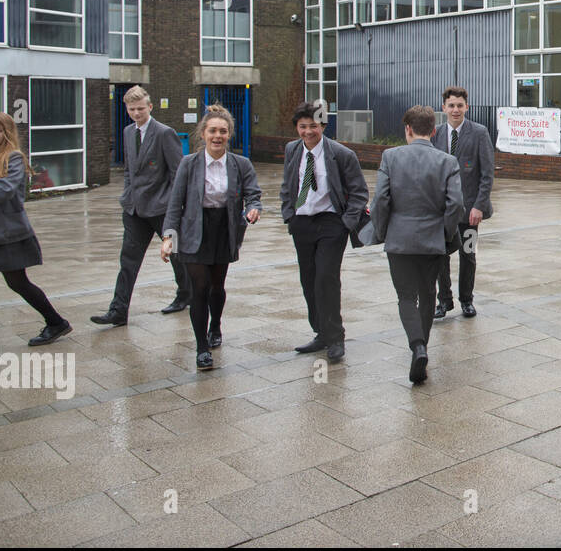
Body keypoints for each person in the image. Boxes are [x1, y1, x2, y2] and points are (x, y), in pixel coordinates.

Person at [159, 105, 261, 370]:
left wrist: (252, 209)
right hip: (193, 229)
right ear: (203, 134)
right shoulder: (188, 164)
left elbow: (253, 195)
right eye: (213, 130)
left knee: (217, 286)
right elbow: (174, 203)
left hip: (223, 229)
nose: (218, 136)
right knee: (199, 289)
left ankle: (215, 326)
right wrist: (168, 238)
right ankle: (202, 348)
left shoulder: (241, 164)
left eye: (223, 131)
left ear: (229, 135)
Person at [373, 105, 463, 384]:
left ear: (408, 129)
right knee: (428, 294)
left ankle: (417, 346)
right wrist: (445, 234)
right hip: (431, 240)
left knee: (405, 297)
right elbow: (456, 205)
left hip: (399, 239)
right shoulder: (447, 161)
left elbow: (380, 201)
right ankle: (421, 350)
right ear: (434, 131)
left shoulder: (390, 157)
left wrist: (381, 231)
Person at [91, 86, 192, 329]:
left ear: (150, 107)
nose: (136, 113)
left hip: (161, 209)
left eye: (140, 108)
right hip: (134, 209)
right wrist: (127, 195)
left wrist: (172, 208)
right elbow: (129, 169)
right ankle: (118, 310)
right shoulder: (127, 132)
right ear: (127, 109)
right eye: (132, 109)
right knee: (128, 260)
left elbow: (178, 174)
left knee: (177, 255)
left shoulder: (164, 133)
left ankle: (185, 294)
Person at [280, 102, 369, 364]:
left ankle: (336, 336)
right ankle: (320, 331)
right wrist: (289, 215)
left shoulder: (341, 154)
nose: (308, 131)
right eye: (303, 126)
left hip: (331, 223)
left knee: (326, 279)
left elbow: (359, 191)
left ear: (323, 126)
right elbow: (288, 184)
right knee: (308, 280)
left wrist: (346, 223)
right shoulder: (292, 150)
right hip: (302, 223)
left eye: (313, 126)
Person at [0, 113, 71, 346]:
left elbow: (3, 192)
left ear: (6, 133)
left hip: (5, 234)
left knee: (18, 283)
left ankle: (56, 322)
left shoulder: (13, 158)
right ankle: (56, 322)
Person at [431, 86, 495, 319]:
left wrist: (479, 205)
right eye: (451, 105)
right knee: (440, 255)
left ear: (467, 107)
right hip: (442, 212)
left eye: (460, 105)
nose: (455, 109)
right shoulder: (435, 134)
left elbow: (487, 174)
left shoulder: (479, 133)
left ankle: (466, 300)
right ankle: (444, 301)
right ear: (444, 108)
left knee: (468, 254)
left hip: (470, 211)